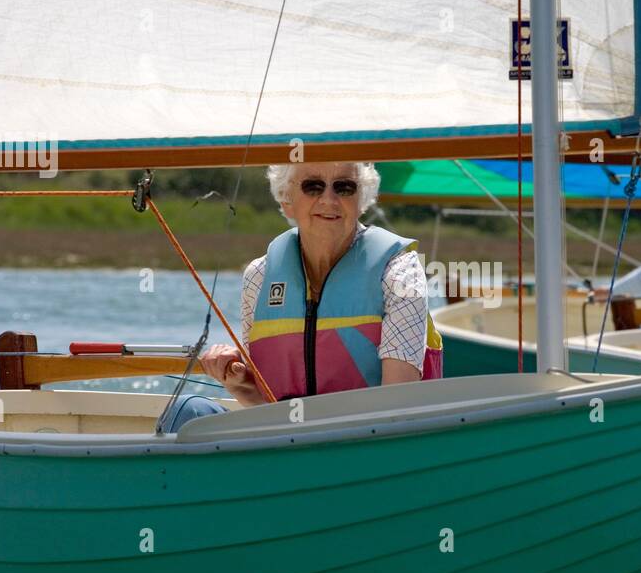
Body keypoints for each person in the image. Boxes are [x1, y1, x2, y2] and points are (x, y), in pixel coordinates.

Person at [159, 161, 443, 431]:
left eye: (344, 187)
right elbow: (267, 411)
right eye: (313, 186)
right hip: (287, 446)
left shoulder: (400, 271)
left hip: (366, 449)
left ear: (362, 200)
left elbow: (397, 405)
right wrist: (241, 384)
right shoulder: (259, 276)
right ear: (286, 199)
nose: (329, 200)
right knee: (187, 411)